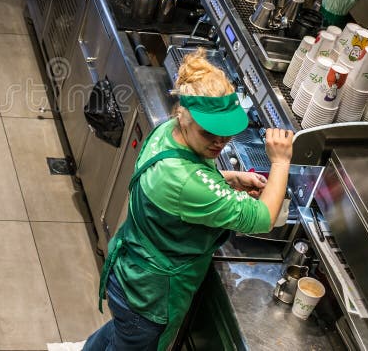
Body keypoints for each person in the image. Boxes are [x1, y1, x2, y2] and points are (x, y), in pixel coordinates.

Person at [83, 49, 293, 351]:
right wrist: (281, 162)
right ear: (184, 117)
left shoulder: (166, 132)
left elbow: (183, 185)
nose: (220, 143)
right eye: (210, 133)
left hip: (129, 273)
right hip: (149, 299)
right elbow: (263, 218)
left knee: (118, 336)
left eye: (227, 134)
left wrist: (229, 179)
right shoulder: (187, 182)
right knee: (126, 338)